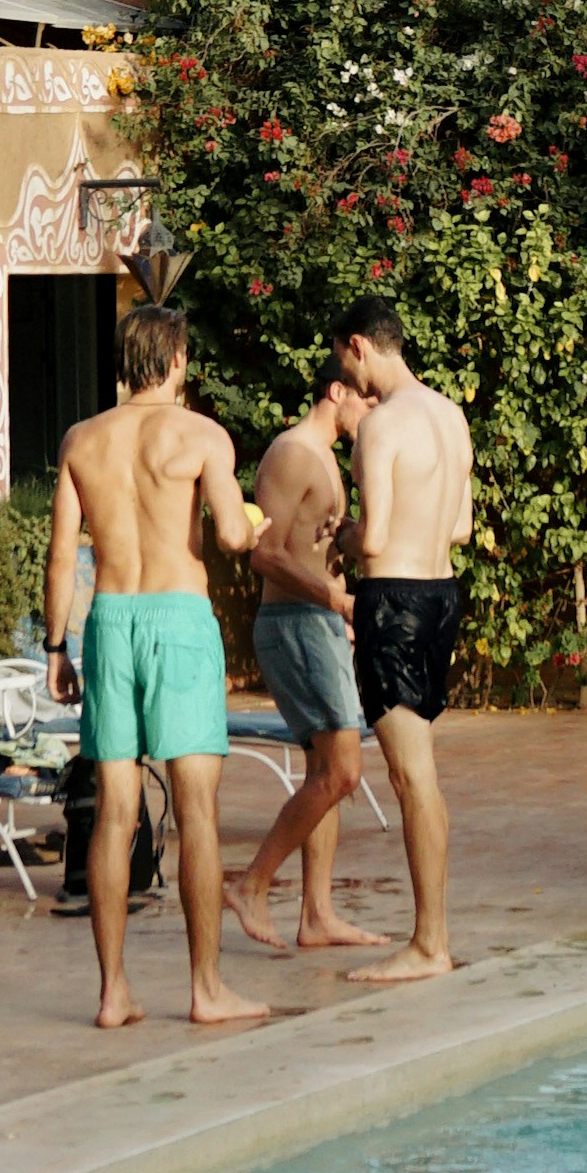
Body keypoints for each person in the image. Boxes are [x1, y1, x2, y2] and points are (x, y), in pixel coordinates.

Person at [43, 307, 273, 1034]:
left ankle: (113, 992)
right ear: (175, 359)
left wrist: (56, 646)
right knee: (196, 808)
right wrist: (259, 520)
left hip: (109, 620)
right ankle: (206, 987)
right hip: (177, 618)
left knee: (115, 811)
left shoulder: (82, 440)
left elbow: (59, 557)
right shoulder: (202, 435)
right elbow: (234, 534)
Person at [227, 353, 386, 955]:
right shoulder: (293, 453)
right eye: (365, 398)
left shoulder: (326, 458)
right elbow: (263, 555)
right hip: (297, 621)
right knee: (344, 769)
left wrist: (347, 544)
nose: (371, 409)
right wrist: (336, 602)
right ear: (337, 390)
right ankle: (252, 883)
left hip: (316, 619)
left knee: (327, 772)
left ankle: (316, 914)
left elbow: (308, 545)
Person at [335, 301, 474, 986]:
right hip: (443, 595)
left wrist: (340, 532)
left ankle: (428, 942)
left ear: (358, 346)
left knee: (412, 777)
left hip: (393, 602)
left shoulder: (380, 427)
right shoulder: (450, 414)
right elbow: (461, 527)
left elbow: (378, 537)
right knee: (418, 774)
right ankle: (431, 936)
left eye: (343, 360)